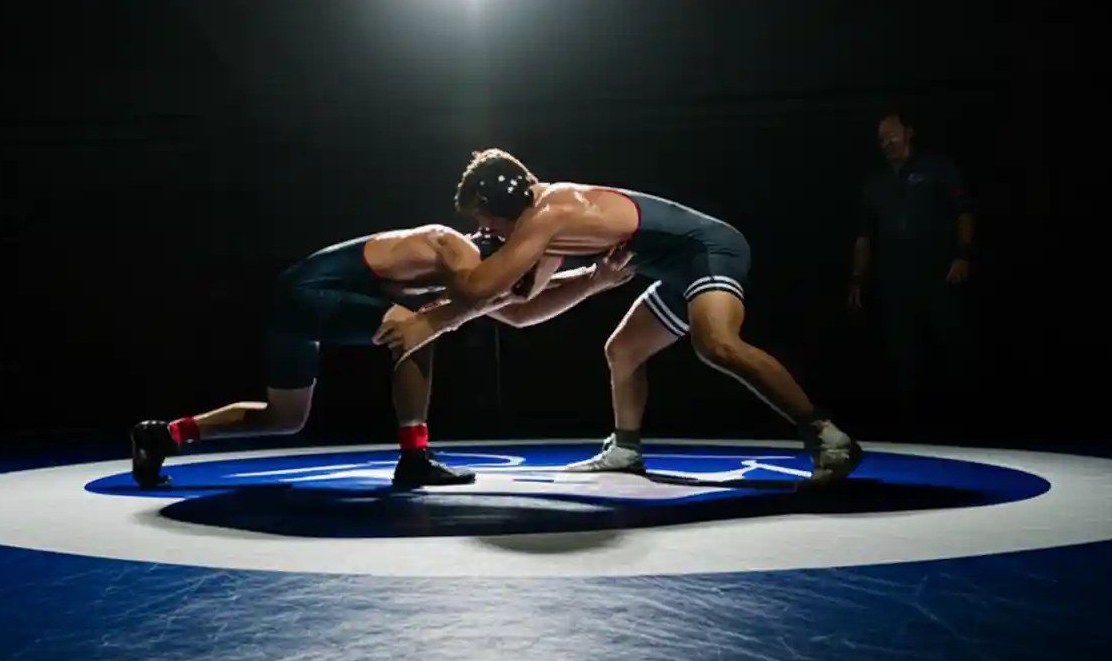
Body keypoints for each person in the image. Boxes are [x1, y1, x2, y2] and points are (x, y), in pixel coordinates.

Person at [375, 149, 863, 483]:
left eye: (485, 221)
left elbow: (486, 287)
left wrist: (434, 317)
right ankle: (626, 449)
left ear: (504, 206)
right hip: (674, 268)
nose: (484, 231)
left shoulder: (547, 216)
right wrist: (592, 281)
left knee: (716, 343)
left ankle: (827, 436)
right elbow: (524, 309)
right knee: (623, 350)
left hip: (708, 250)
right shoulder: (540, 223)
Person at [129, 223, 633, 490]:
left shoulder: (463, 277)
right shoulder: (449, 246)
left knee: (285, 418)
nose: (513, 283)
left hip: (296, 301)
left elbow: (519, 312)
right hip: (310, 293)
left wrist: (594, 281)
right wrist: (588, 279)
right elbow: (504, 299)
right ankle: (413, 458)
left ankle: (164, 434)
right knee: (417, 330)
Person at [849, 109, 976, 440]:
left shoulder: (936, 168)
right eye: (881, 138)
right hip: (894, 279)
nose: (887, 142)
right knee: (901, 353)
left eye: (892, 134)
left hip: (938, 274)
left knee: (950, 344)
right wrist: (858, 277)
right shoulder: (875, 183)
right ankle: (908, 428)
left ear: (909, 133)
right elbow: (864, 235)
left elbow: (962, 211)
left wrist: (963, 254)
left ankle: (964, 422)